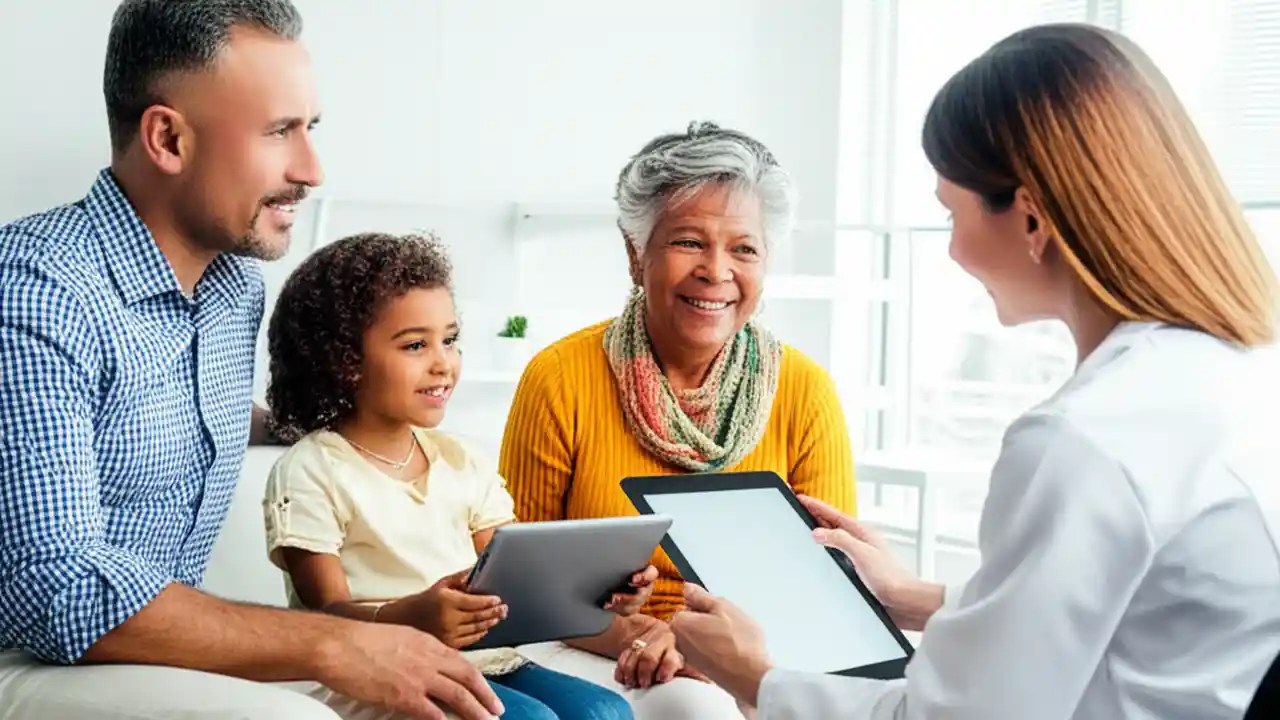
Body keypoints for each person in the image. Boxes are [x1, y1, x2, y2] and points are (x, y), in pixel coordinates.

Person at [667, 23, 1280, 720]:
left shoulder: (1081, 441)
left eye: (950, 213)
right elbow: (1143, 620)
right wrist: (921, 599)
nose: (953, 251)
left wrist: (755, 678)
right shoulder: (1242, 378)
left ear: (1030, 219)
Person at [0, 2, 501, 718]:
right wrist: (329, 643)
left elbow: (184, 413)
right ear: (168, 137)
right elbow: (54, 585)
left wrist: (334, 426)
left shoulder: (233, 287)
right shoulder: (36, 292)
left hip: (151, 650)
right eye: (278, 132)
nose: (311, 168)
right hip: (24, 653)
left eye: (311, 128)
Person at [498, 121, 858, 719]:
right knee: (695, 707)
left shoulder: (804, 389)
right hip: (596, 645)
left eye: (744, 248)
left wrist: (720, 651)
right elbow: (524, 589)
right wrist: (643, 634)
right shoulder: (560, 376)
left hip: (761, 649)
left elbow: (831, 586)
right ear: (635, 253)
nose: (716, 271)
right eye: (689, 242)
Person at [262, 231, 651, 720]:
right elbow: (327, 618)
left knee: (605, 711)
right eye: (414, 345)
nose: (443, 363)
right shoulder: (311, 469)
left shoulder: (461, 460)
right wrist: (413, 618)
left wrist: (601, 592)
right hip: (378, 669)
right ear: (344, 361)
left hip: (485, 661)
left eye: (449, 340)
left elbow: (521, 580)